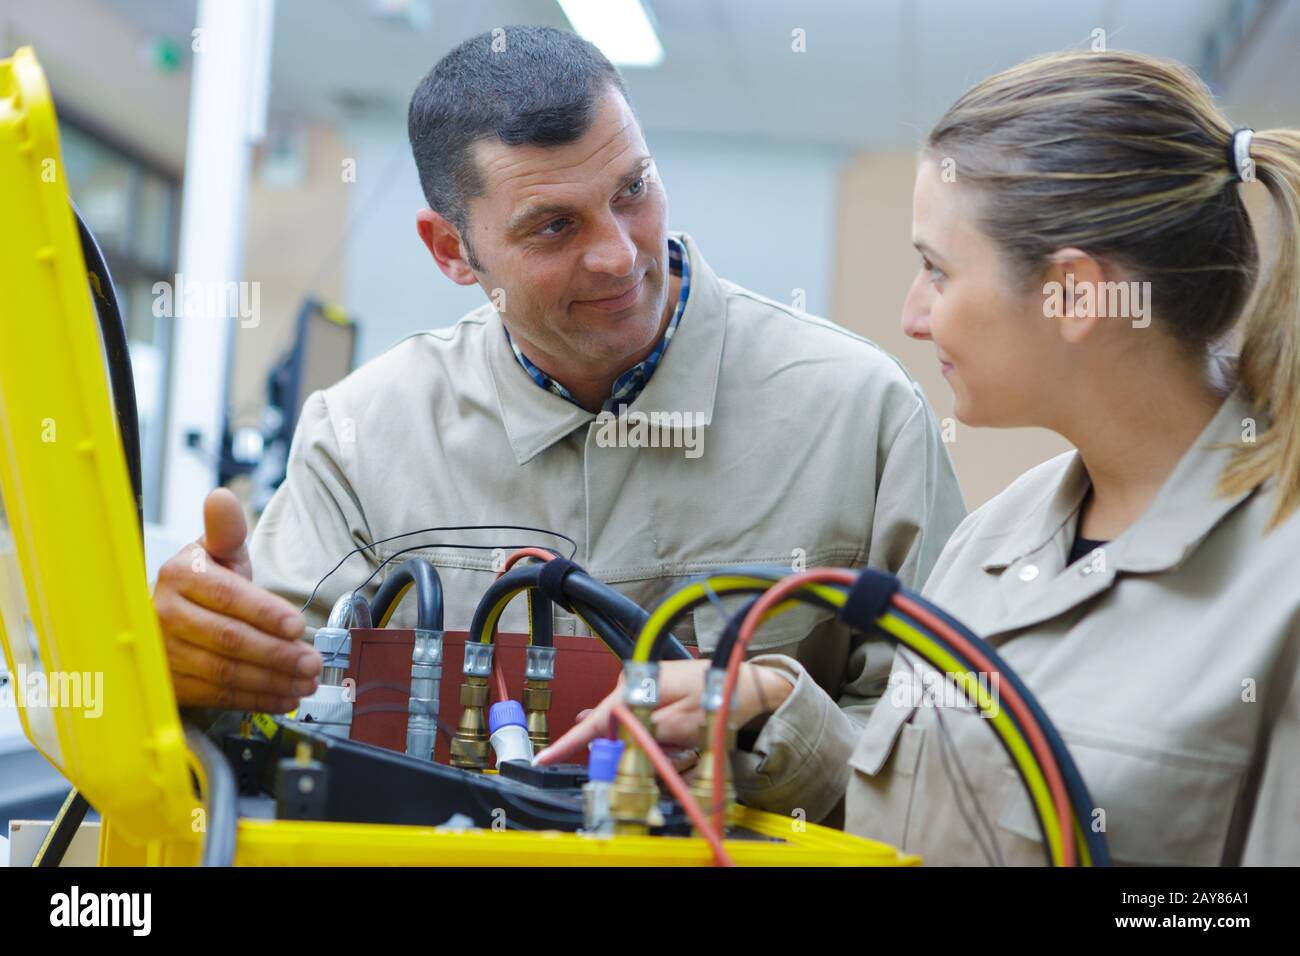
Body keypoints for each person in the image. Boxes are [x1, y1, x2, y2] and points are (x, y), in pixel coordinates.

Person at [542, 49, 1300, 865]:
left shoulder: (1277, 591)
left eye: (936, 270)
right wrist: (766, 705)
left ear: (1078, 295)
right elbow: (927, 819)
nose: (911, 316)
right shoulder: (995, 541)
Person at [152, 26, 965, 725]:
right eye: (553, 226)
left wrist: (773, 724)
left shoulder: (862, 414)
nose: (618, 254)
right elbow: (268, 707)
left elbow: (953, 738)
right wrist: (195, 662)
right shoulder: (363, 442)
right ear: (450, 251)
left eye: (633, 190)